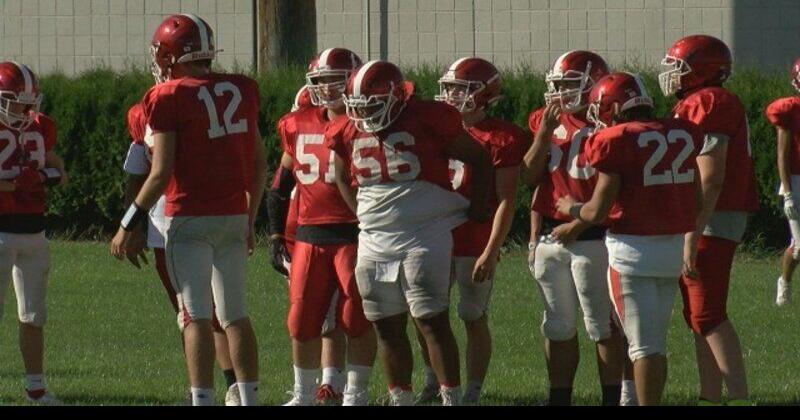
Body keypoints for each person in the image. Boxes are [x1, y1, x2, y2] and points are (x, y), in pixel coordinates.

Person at [110, 14, 266, 406]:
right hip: (232, 216)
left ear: (168, 55)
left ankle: (202, 399)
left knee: (194, 316)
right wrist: (249, 217)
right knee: (235, 316)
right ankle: (247, 398)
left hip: (189, 218)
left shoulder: (166, 96)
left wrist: (129, 222)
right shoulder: (243, 88)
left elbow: (159, 173)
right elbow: (259, 164)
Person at [326, 60, 492, 406]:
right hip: (375, 237)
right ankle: (400, 397)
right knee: (385, 326)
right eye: (360, 106)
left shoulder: (429, 117)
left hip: (424, 232)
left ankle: (452, 397)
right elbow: (341, 174)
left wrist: (479, 209)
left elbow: (479, 157)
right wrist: (363, 214)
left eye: (373, 104)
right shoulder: (347, 127)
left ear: (397, 97)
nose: (366, 114)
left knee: (431, 319)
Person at [556, 72, 702, 405]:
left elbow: (597, 211)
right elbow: (697, 199)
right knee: (655, 344)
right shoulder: (678, 132)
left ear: (614, 107)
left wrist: (571, 208)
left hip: (631, 253)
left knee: (642, 347)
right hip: (670, 251)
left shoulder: (617, 139)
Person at [268, 48, 376, 406]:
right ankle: (302, 393)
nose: (327, 89)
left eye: (334, 80)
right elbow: (281, 182)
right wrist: (274, 234)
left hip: (353, 232)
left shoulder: (369, 120)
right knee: (301, 320)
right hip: (309, 233)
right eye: (321, 80)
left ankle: (356, 393)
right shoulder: (297, 122)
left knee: (356, 317)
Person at [521, 50, 625, 406]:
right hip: (551, 234)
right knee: (557, 326)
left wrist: (580, 224)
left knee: (601, 326)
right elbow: (530, 178)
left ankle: (612, 398)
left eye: (569, 84)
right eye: (558, 84)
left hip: (594, 237)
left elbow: (616, 188)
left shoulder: (609, 123)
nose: (561, 92)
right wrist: (544, 134)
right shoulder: (544, 119)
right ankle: (559, 398)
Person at [661, 35, 757, 406]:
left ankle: (739, 396)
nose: (672, 74)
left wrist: (690, 232)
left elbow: (712, 176)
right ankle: (711, 397)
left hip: (711, 217)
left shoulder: (709, 101)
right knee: (698, 317)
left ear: (701, 70)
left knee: (708, 313)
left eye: (679, 67)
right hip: (708, 216)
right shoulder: (703, 100)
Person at [0, 61, 67, 405]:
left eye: (29, 102)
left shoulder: (40, 128)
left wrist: (39, 179)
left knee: (33, 315)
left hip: (34, 232)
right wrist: (10, 184)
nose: (25, 110)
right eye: (16, 101)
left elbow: (59, 171)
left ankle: (35, 387)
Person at [765, 57, 800, 307]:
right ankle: (785, 283)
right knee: (799, 246)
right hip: (796, 181)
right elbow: (783, 155)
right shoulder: (789, 109)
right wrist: (787, 193)